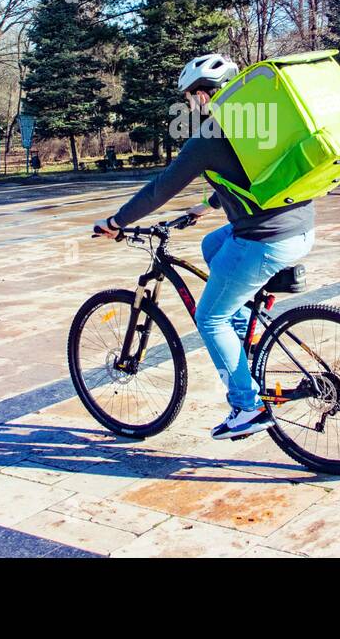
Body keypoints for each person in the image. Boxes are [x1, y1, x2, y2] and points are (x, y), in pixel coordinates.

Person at [94, 53, 315, 440]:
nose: (193, 106)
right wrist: (206, 206)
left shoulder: (210, 136)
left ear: (204, 95)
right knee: (213, 244)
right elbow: (253, 178)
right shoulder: (260, 123)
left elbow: (162, 187)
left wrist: (117, 223)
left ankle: (247, 407)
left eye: (193, 97)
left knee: (209, 318)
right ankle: (246, 329)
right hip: (300, 229)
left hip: (263, 242)